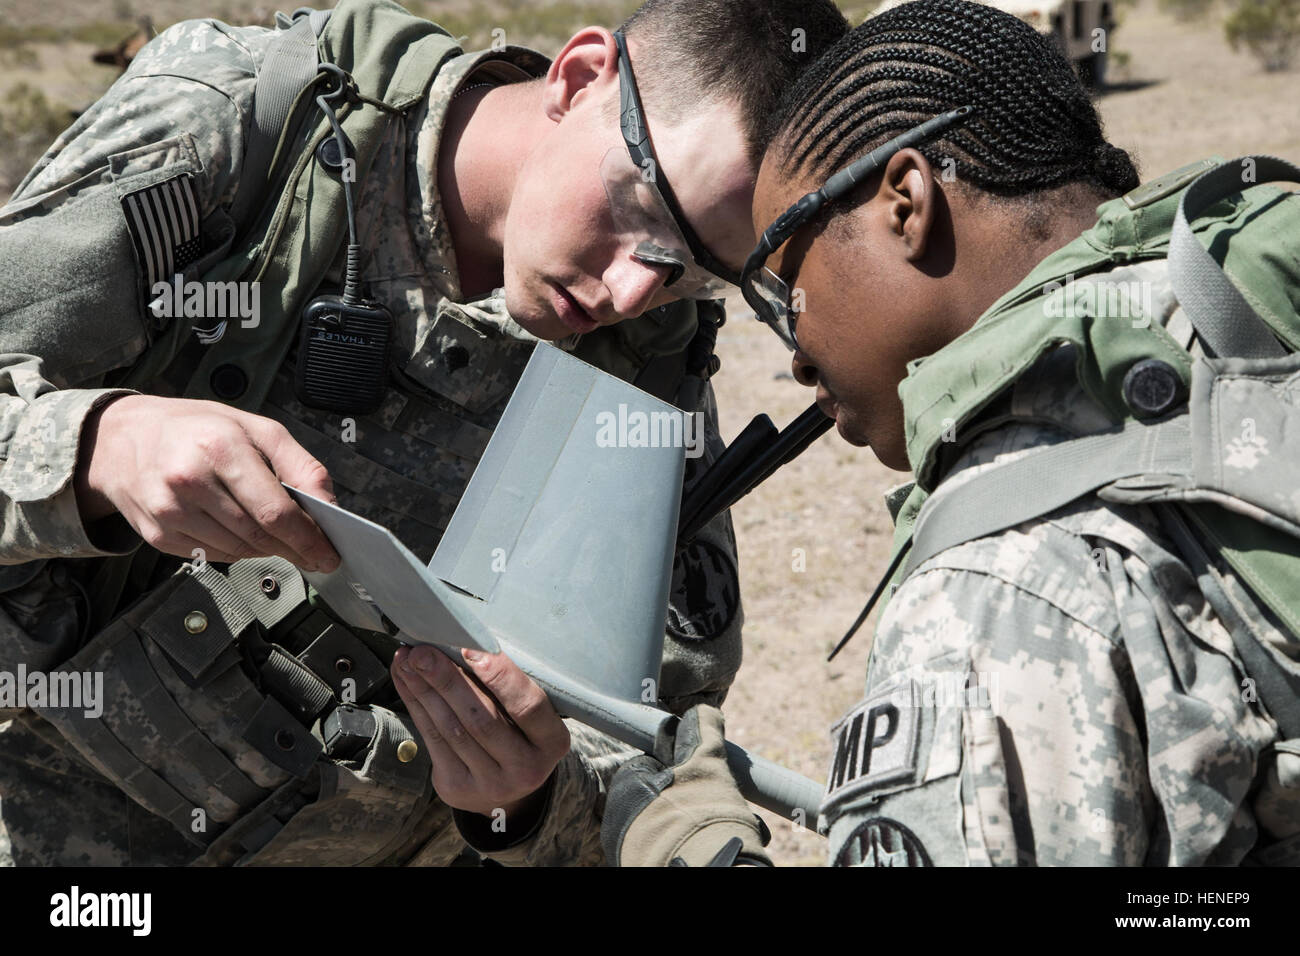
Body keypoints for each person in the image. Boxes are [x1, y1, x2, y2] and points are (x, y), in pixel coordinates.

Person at [0, 0, 850, 865]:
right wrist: (89, 448)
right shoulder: (240, 126)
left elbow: (644, 747)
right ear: (580, 77)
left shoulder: (647, 375)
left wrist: (516, 806)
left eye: (695, 272)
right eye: (644, 209)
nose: (633, 292)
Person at [600, 0, 1300, 866]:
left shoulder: (998, 580)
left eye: (786, 292)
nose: (798, 360)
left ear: (906, 202)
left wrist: (690, 847)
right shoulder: (1250, 304)